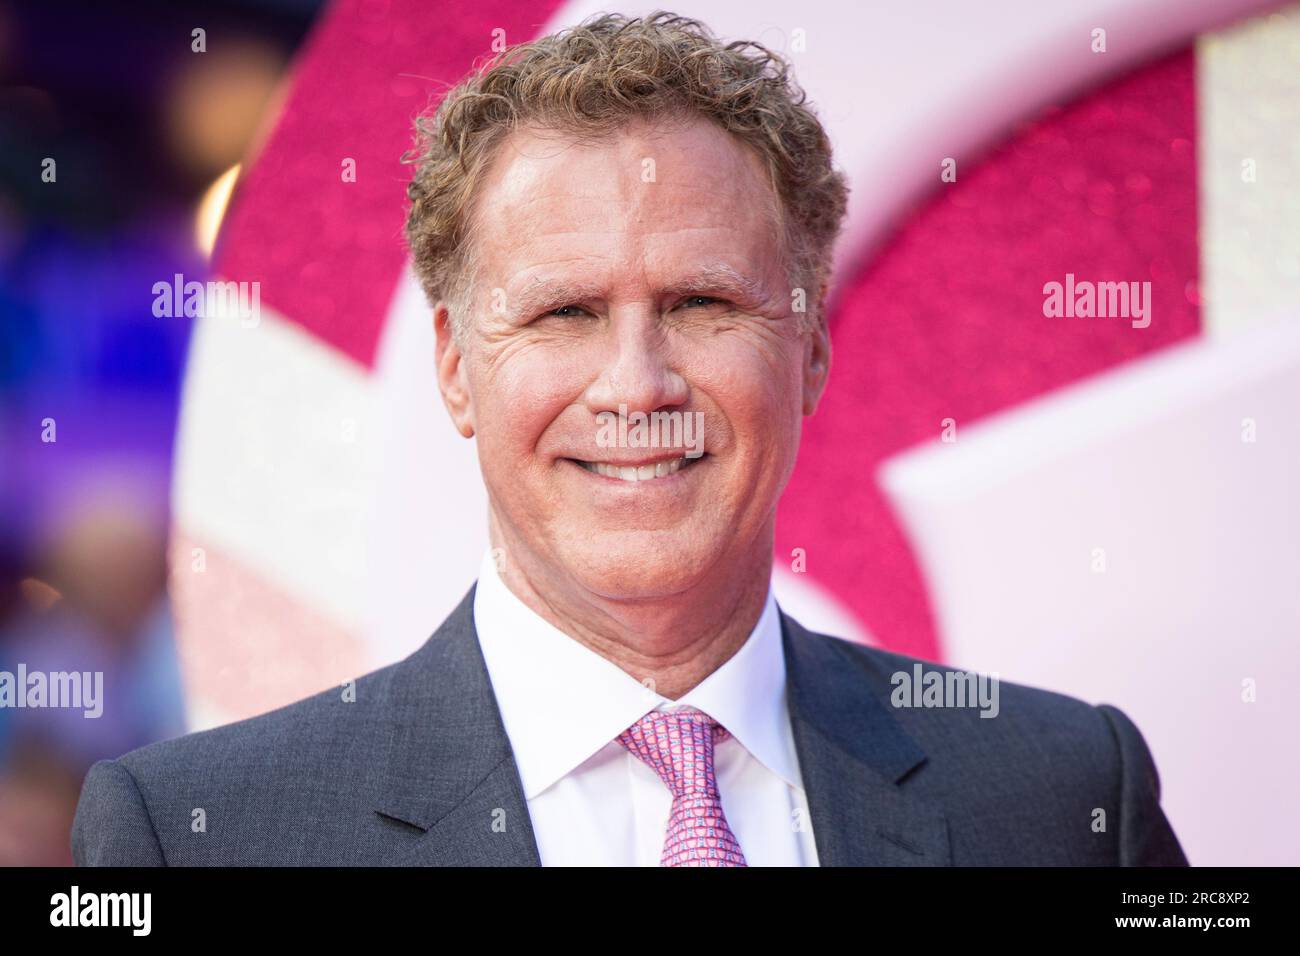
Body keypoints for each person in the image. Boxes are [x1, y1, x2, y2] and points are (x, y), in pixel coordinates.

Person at [72, 11, 1187, 867]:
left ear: (808, 350)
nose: (636, 383)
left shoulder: (1063, 800)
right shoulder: (204, 838)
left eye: (704, 302)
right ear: (456, 364)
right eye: (565, 312)